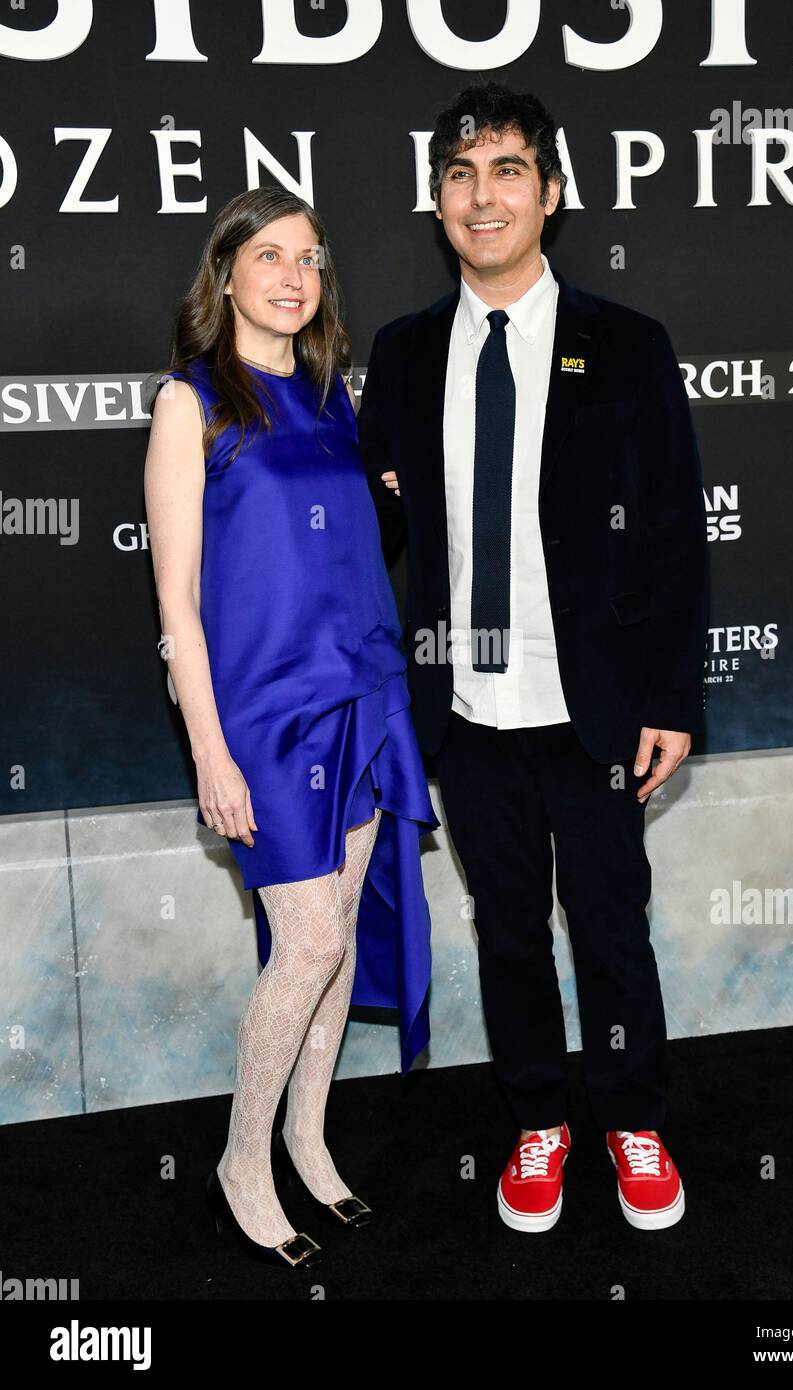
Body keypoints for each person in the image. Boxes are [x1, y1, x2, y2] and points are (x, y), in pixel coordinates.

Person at [358, 83, 710, 1234]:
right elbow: (374, 534)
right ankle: (536, 1124)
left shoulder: (627, 344)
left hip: (594, 706)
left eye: (507, 169)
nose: (482, 194)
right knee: (505, 927)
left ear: (550, 194)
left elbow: (668, 532)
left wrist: (668, 695)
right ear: (437, 202)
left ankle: (632, 1118)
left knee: (610, 923)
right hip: (464, 709)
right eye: (459, 175)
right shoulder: (405, 357)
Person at [144, 186, 438, 1269]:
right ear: (225, 274)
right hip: (260, 718)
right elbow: (176, 602)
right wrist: (209, 750)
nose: (292, 276)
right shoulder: (193, 403)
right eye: (268, 255)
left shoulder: (331, 398)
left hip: (360, 694)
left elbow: (357, 550)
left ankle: (310, 1139)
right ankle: (241, 1158)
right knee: (305, 938)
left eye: (310, 258)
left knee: (341, 931)